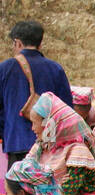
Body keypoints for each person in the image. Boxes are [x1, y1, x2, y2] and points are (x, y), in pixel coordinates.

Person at [0, 21, 73, 167]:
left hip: (17, 142)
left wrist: (6, 133)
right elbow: (66, 110)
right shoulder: (55, 69)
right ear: (40, 43)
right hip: (49, 146)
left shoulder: (5, 68)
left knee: (17, 188)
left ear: (18, 43)